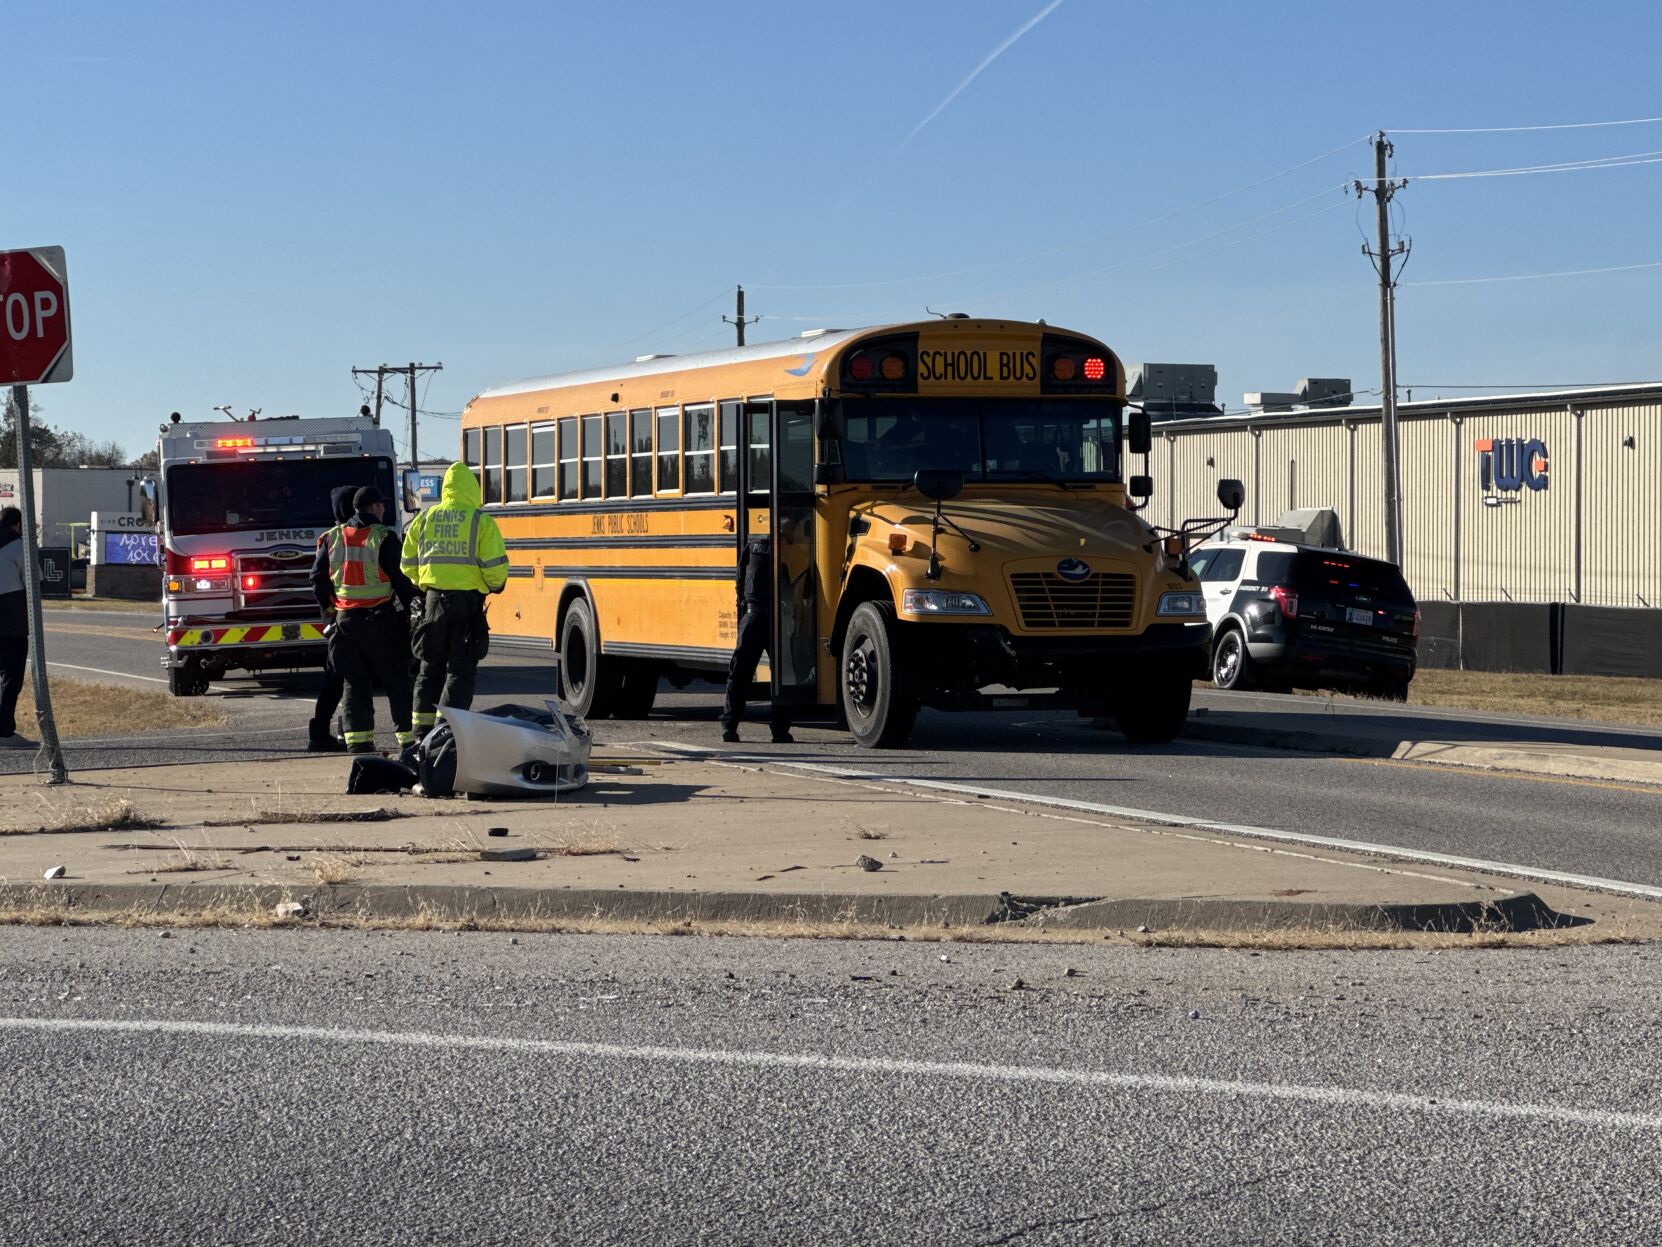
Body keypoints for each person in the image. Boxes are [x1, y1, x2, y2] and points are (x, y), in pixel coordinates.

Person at [400, 462, 508, 736]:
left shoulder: (424, 518)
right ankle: (447, 733)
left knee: (429, 668)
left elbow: (407, 564)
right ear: (473, 489)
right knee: (460, 671)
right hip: (466, 606)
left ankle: (420, 734)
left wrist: (425, 582)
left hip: (433, 603)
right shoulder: (479, 521)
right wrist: (490, 585)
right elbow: (495, 572)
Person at [309, 486, 416, 755]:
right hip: (380, 621)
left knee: (354, 683)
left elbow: (317, 579)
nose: (383, 509)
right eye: (381, 505)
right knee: (397, 682)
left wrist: (330, 610)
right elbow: (402, 580)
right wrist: (409, 613)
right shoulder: (384, 537)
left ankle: (358, 741)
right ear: (372, 507)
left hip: (345, 623)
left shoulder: (332, 538)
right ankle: (408, 740)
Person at [721, 530, 792, 744]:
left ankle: (729, 726)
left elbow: (740, 579)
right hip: (774, 620)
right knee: (781, 676)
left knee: (739, 673)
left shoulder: (752, 547)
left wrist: (744, 607)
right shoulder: (783, 552)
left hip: (751, 617)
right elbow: (787, 588)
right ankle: (780, 730)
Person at [305, 485, 358, 752]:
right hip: (342, 618)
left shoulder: (337, 536)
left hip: (343, 616)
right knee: (338, 678)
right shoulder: (336, 537)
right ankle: (323, 733)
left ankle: (341, 730)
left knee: (342, 678)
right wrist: (329, 609)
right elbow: (317, 578)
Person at [0, 507, 34, 750]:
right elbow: (33, 581)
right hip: (11, 621)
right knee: (11, 676)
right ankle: (4, 732)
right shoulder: (18, 545)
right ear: (18, 525)